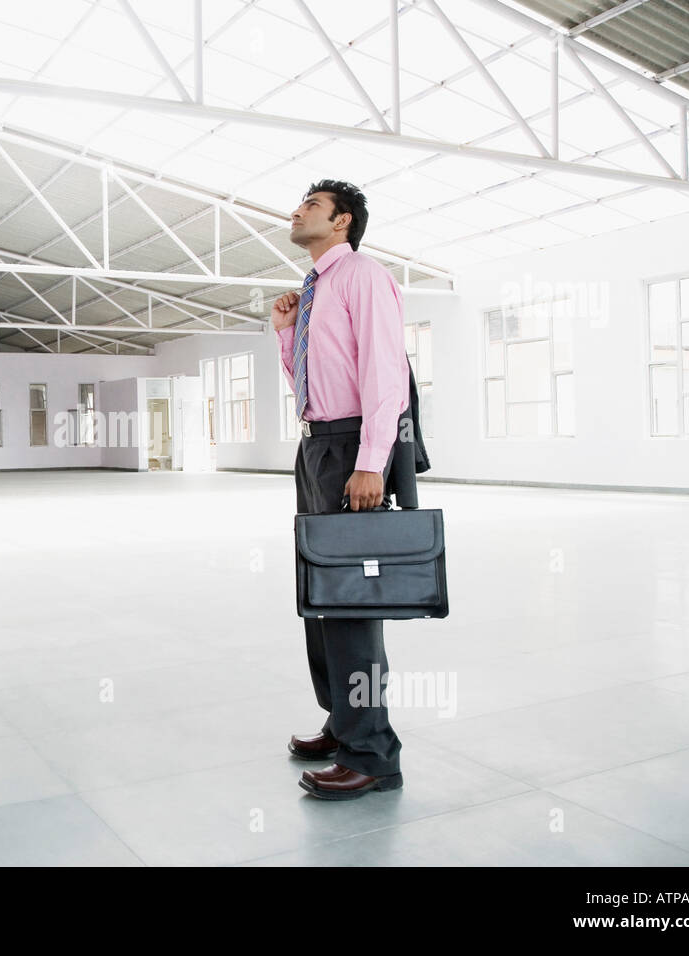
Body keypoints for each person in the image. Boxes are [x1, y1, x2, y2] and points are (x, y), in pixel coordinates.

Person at [270, 179, 409, 801]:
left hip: (352, 446)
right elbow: (314, 376)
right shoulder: (315, 288)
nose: (296, 212)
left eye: (312, 206)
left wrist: (371, 460)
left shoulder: (362, 276)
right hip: (317, 442)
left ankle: (373, 754)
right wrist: (283, 333)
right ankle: (342, 720)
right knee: (321, 591)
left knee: (352, 604)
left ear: (342, 221)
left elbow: (385, 373)